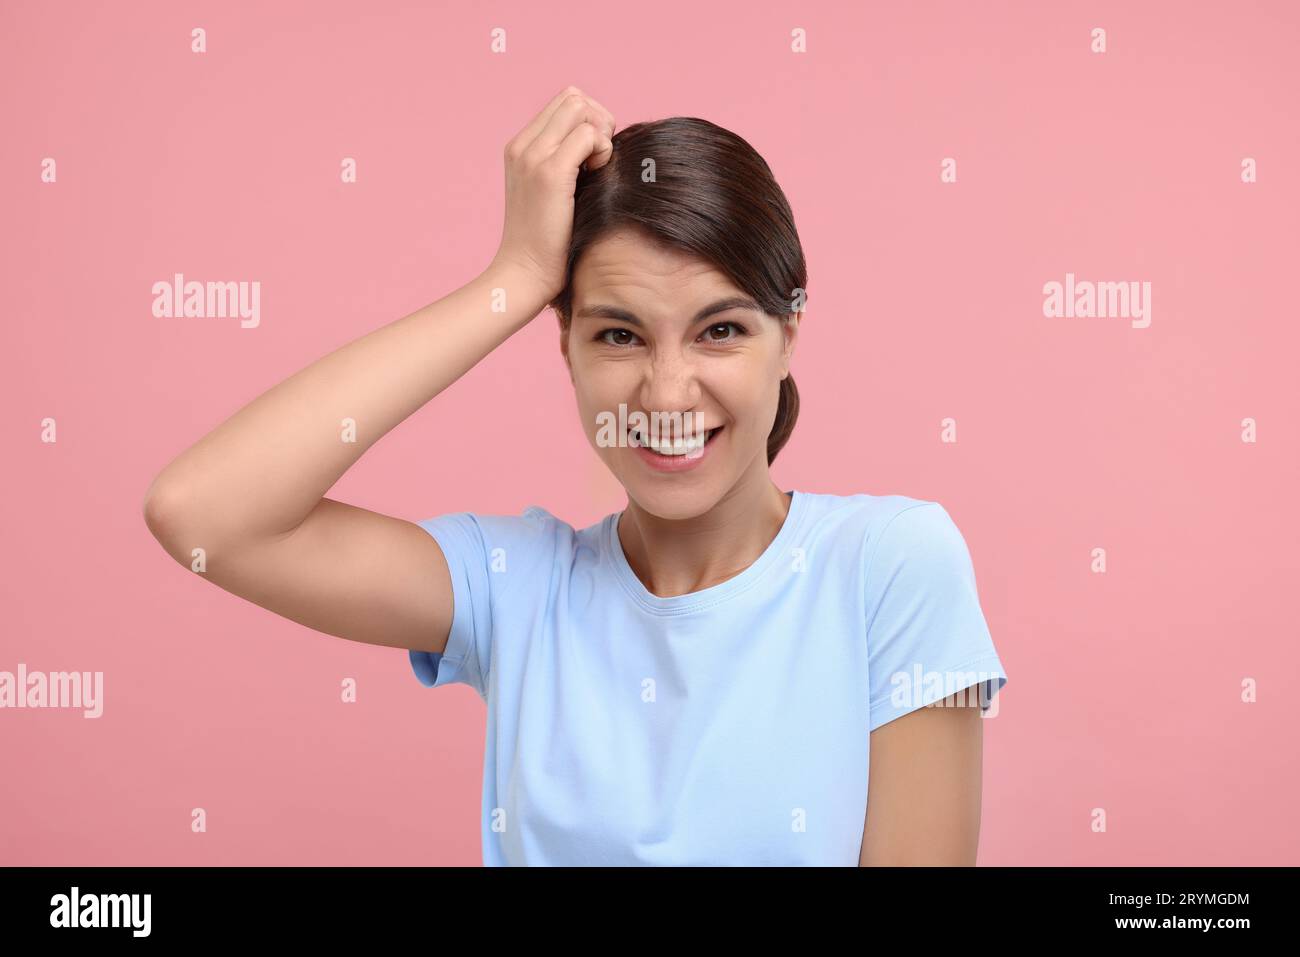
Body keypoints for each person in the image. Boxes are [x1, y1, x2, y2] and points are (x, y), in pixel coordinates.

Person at [143, 86, 1009, 866]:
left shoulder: (892, 566)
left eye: (721, 331)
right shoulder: (516, 588)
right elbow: (204, 517)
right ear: (564, 348)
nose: (668, 390)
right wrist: (514, 279)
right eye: (619, 334)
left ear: (789, 337)